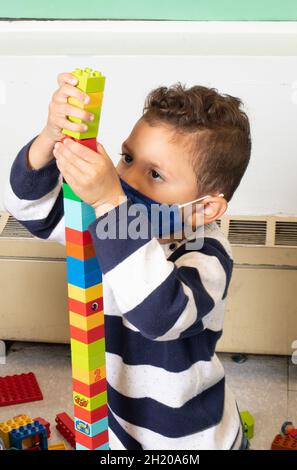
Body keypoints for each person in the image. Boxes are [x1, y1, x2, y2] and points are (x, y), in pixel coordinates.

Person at [4, 73, 251, 450]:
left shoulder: (206, 253)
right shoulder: (111, 223)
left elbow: (160, 315)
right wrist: (49, 137)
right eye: (128, 158)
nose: (127, 180)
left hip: (188, 437)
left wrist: (108, 204)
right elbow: (31, 209)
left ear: (204, 208)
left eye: (155, 174)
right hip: (117, 423)